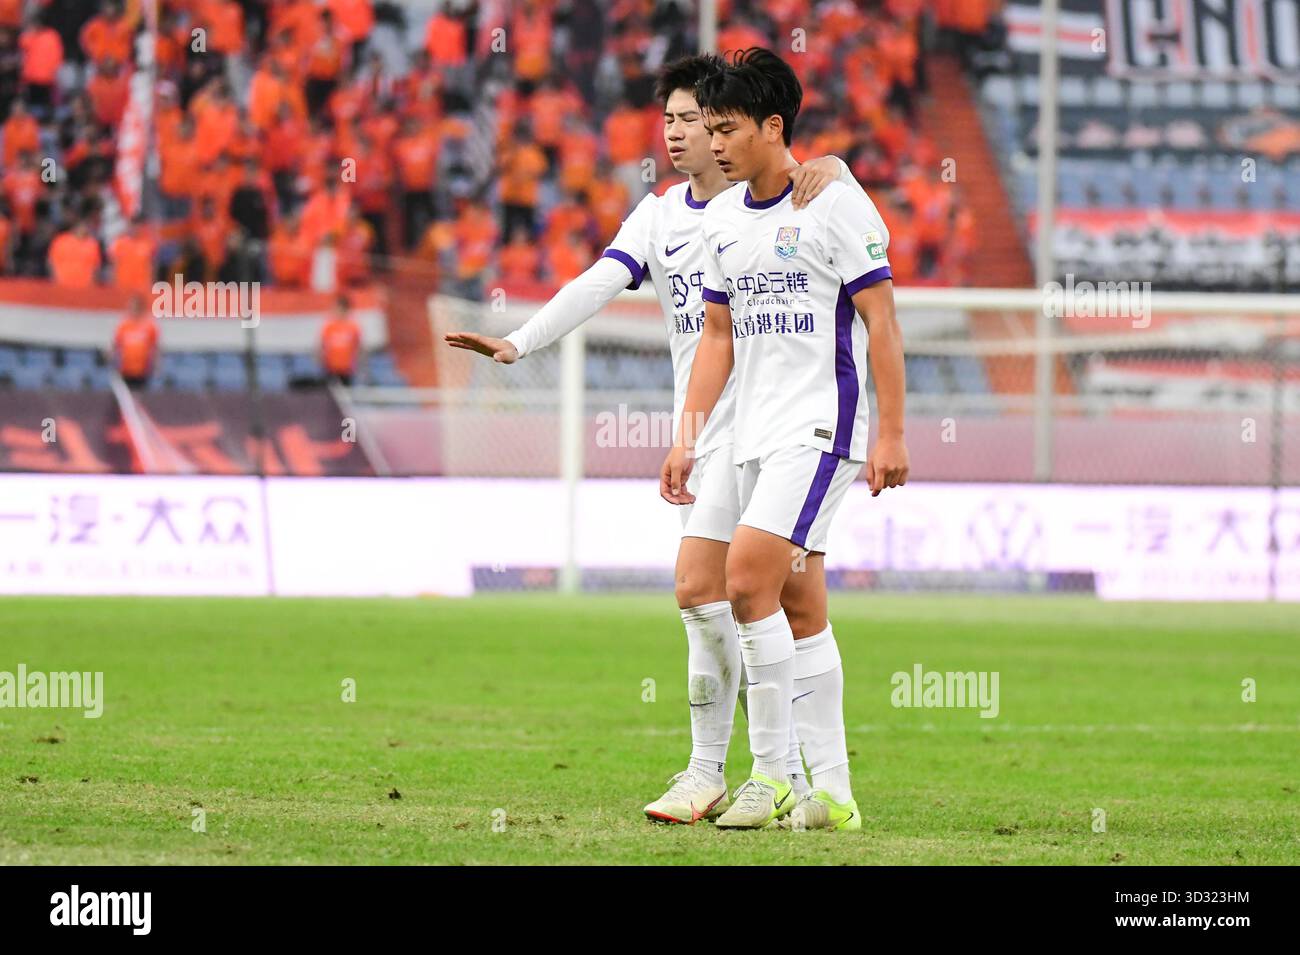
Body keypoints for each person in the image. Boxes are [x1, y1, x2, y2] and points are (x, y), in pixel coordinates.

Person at [445, 53, 867, 826]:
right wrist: (521, 342)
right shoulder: (662, 214)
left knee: (788, 598)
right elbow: (599, 281)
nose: (676, 134)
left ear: (724, 128)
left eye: (691, 120)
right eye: (669, 120)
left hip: (786, 426)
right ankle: (723, 771)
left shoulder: (779, 198)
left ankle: (806, 783)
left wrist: (833, 164)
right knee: (703, 590)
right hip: (710, 433)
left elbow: (831, 203)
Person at [663, 48, 909, 830]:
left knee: (744, 582)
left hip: (820, 428)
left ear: (773, 127)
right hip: (749, 434)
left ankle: (769, 775)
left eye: (727, 130)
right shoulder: (725, 221)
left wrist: (892, 434)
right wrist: (688, 436)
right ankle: (832, 793)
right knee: (797, 600)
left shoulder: (835, 204)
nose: (716, 145)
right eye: (709, 129)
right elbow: (717, 335)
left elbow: (882, 322)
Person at [113, 294, 158, 388]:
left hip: (143, 371)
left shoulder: (149, 326)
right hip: (125, 370)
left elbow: (155, 348)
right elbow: (116, 346)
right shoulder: (124, 326)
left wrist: (156, 365)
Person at [320, 294, 361, 384]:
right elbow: (322, 347)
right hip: (331, 368)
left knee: (346, 394)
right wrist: (323, 364)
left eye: (338, 308)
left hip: (347, 369)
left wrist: (358, 366)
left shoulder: (353, 327)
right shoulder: (329, 327)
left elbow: (359, 348)